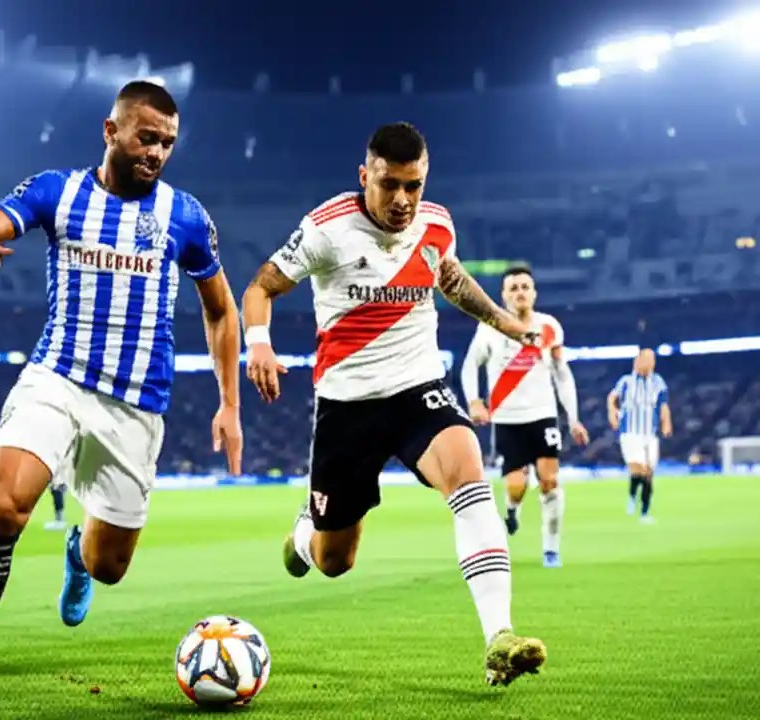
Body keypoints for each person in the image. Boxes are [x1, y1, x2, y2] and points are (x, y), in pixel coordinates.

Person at [0, 80, 244, 706]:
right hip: (58, 379)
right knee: (4, 506)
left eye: (168, 143)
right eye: (146, 137)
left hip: (134, 405)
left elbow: (221, 312)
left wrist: (228, 402)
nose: (156, 152)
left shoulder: (185, 216)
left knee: (109, 567)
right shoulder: (57, 191)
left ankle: (78, 549)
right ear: (111, 131)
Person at [242, 122, 545, 687]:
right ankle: (305, 537)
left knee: (467, 469)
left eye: (415, 186)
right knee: (337, 560)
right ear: (365, 176)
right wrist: (258, 344)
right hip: (346, 406)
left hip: (416, 390)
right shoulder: (326, 228)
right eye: (389, 185)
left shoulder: (437, 224)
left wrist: (505, 322)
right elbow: (259, 288)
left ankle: (498, 638)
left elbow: (450, 281)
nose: (404, 200)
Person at [460, 266, 588, 568]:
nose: (520, 292)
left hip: (543, 416)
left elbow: (562, 374)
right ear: (503, 296)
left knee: (549, 481)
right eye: (513, 288)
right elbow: (469, 366)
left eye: (525, 287)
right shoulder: (489, 326)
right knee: (516, 486)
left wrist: (573, 418)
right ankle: (513, 509)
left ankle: (551, 549)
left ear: (534, 292)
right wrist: (475, 402)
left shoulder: (549, 327)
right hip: (507, 419)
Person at [608, 348, 672, 523]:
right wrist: (612, 413)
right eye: (646, 359)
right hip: (630, 433)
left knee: (649, 472)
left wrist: (666, 422)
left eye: (652, 360)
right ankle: (634, 500)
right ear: (637, 362)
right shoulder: (626, 381)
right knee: (639, 470)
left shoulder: (658, 382)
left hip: (649, 434)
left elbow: (663, 404)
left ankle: (644, 510)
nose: (649, 363)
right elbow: (612, 397)